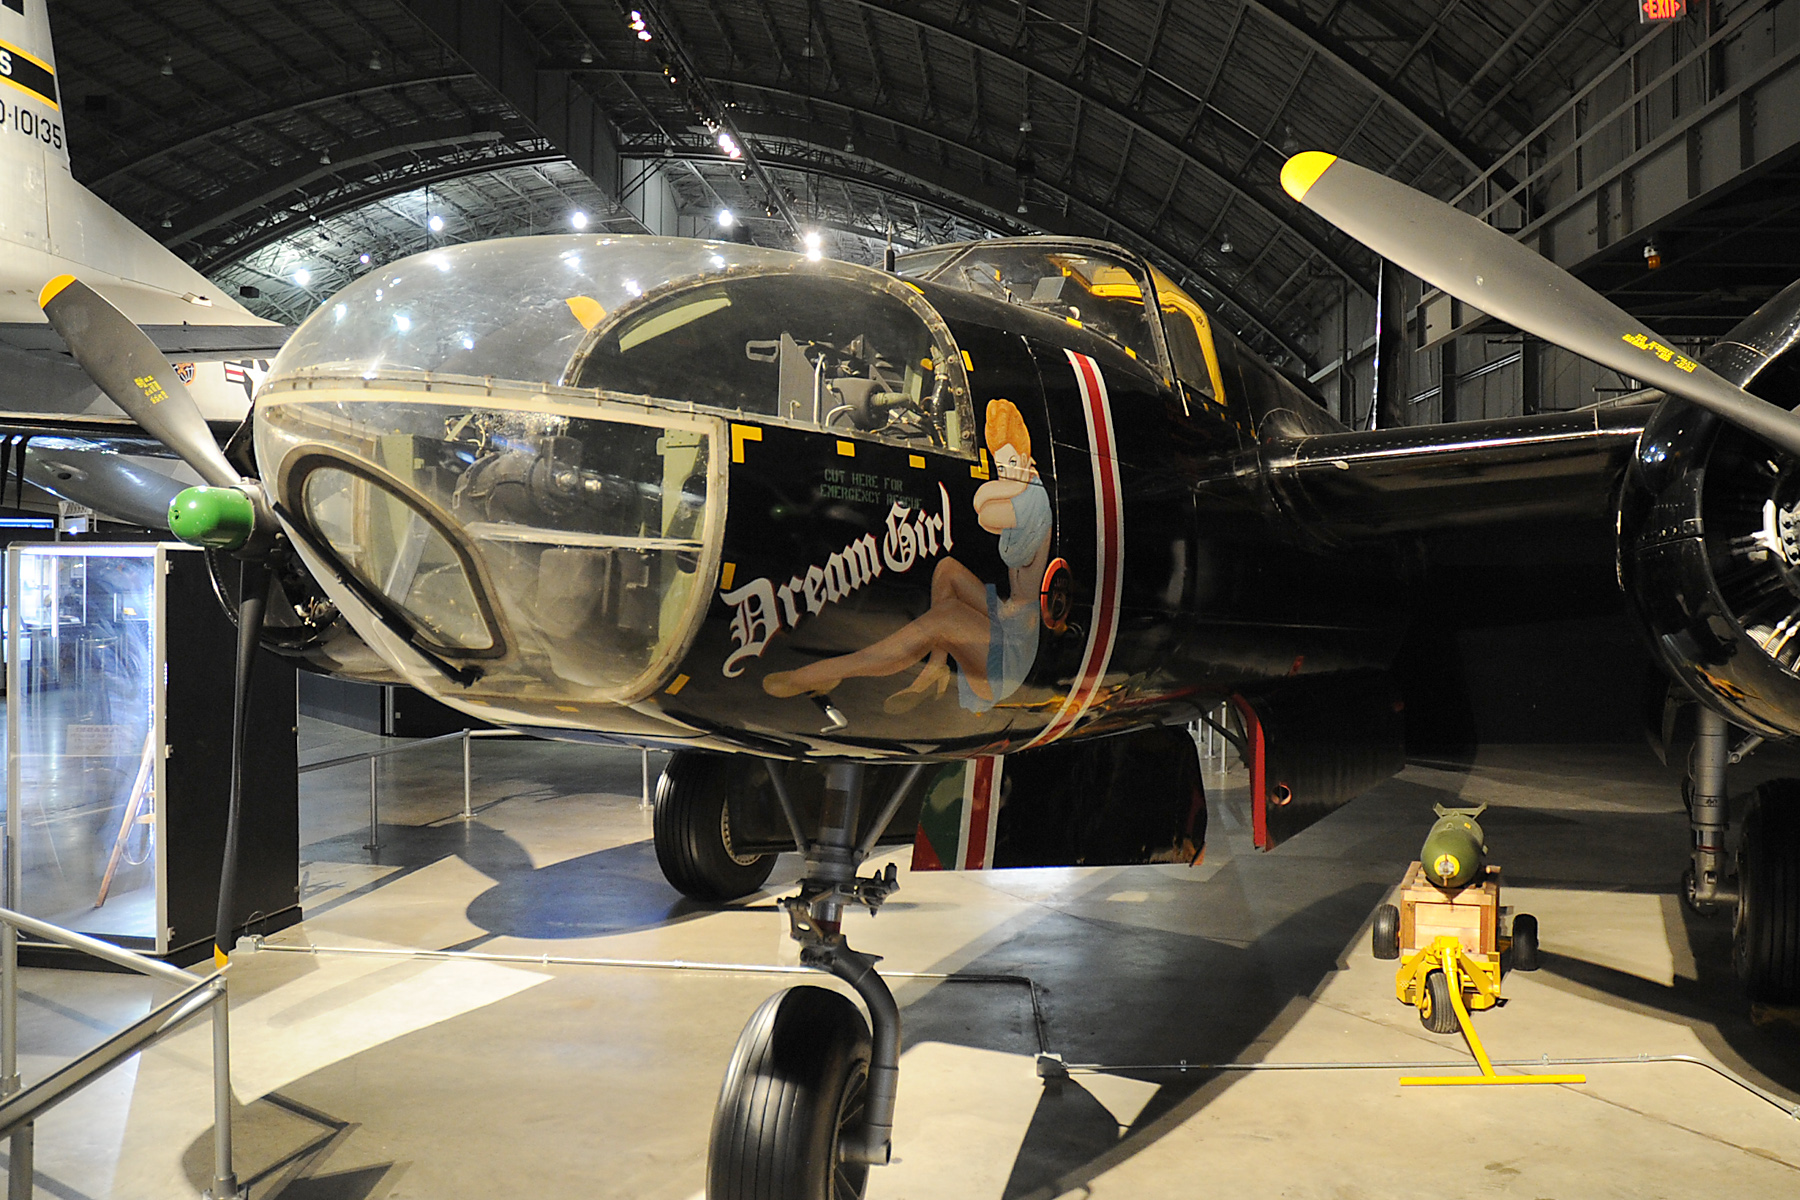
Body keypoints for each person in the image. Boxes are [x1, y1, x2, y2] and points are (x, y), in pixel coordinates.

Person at [762, 398, 1052, 713]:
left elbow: (984, 509)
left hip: (1013, 653)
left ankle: (825, 673)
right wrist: (1017, 478)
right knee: (947, 570)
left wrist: (1012, 482)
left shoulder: (1032, 502)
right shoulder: (1023, 490)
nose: (1005, 474)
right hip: (1010, 618)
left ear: (1027, 458)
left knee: (947, 617)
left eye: (1011, 463)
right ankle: (935, 667)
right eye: (1000, 467)